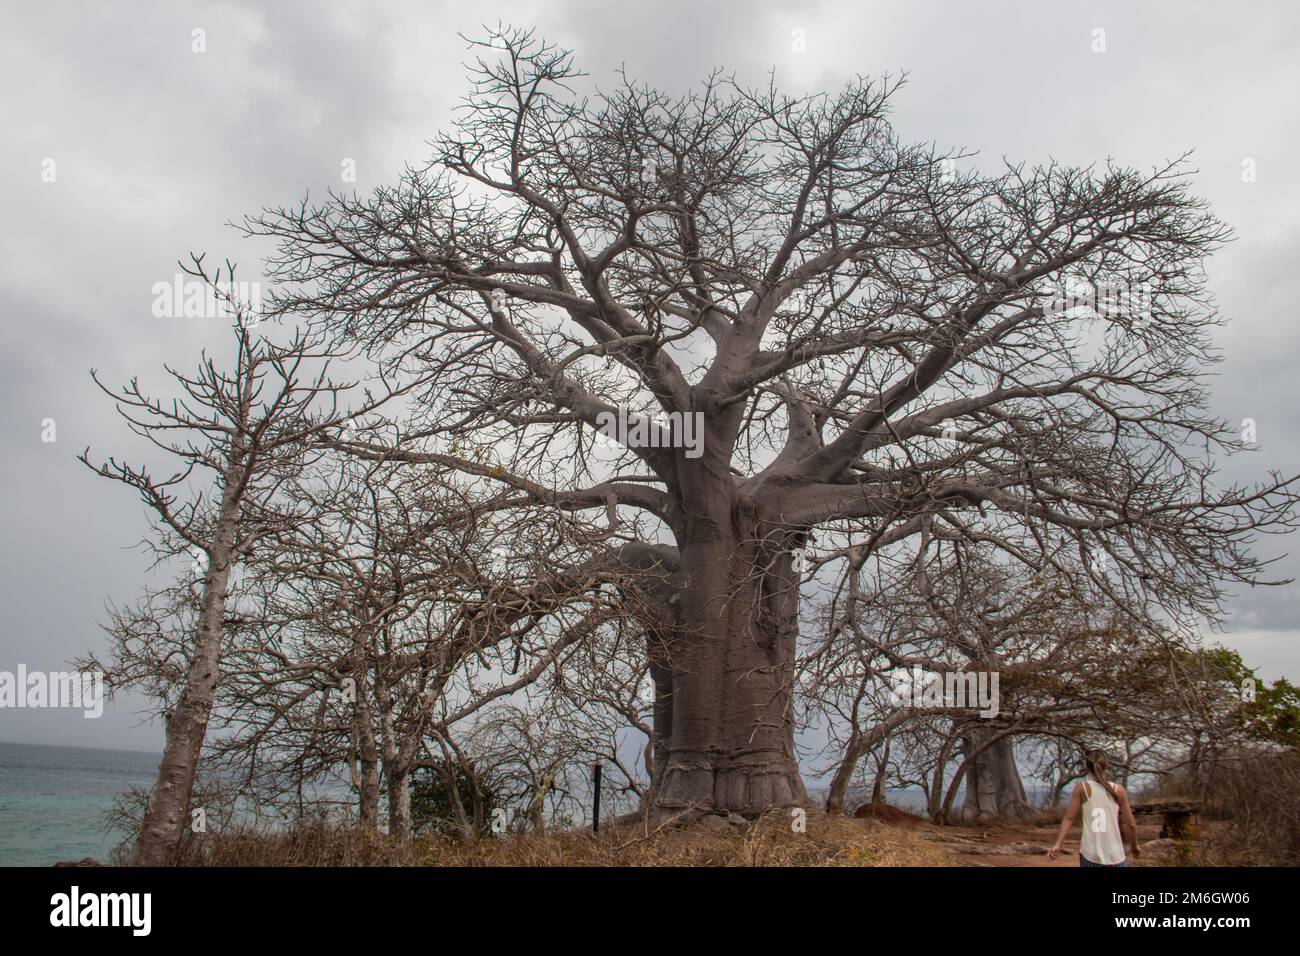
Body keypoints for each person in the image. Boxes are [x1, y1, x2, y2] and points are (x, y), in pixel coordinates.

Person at [1047, 749, 1141, 866]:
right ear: (1107, 766)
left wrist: (1058, 844)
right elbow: (1131, 824)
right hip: (1115, 855)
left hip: (1090, 854)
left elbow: (1069, 818)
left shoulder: (1082, 789)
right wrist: (1134, 846)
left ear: (1087, 768)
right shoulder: (1119, 790)